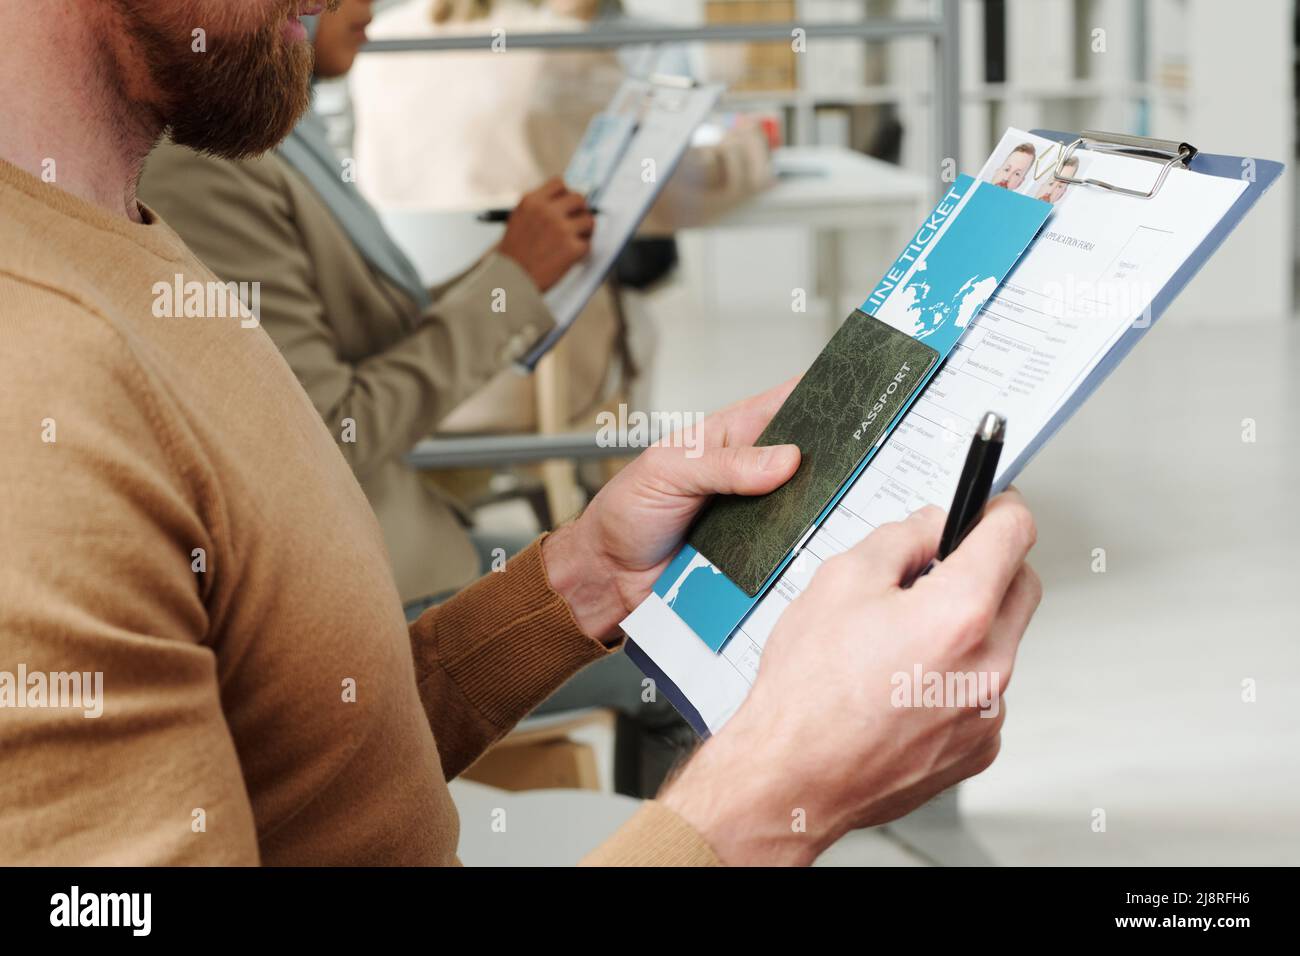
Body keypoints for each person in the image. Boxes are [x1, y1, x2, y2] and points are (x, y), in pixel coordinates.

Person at [0, 0, 1041, 865]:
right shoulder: (35, 392)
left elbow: (305, 756)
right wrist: (767, 791)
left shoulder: (117, 221)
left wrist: (577, 580)